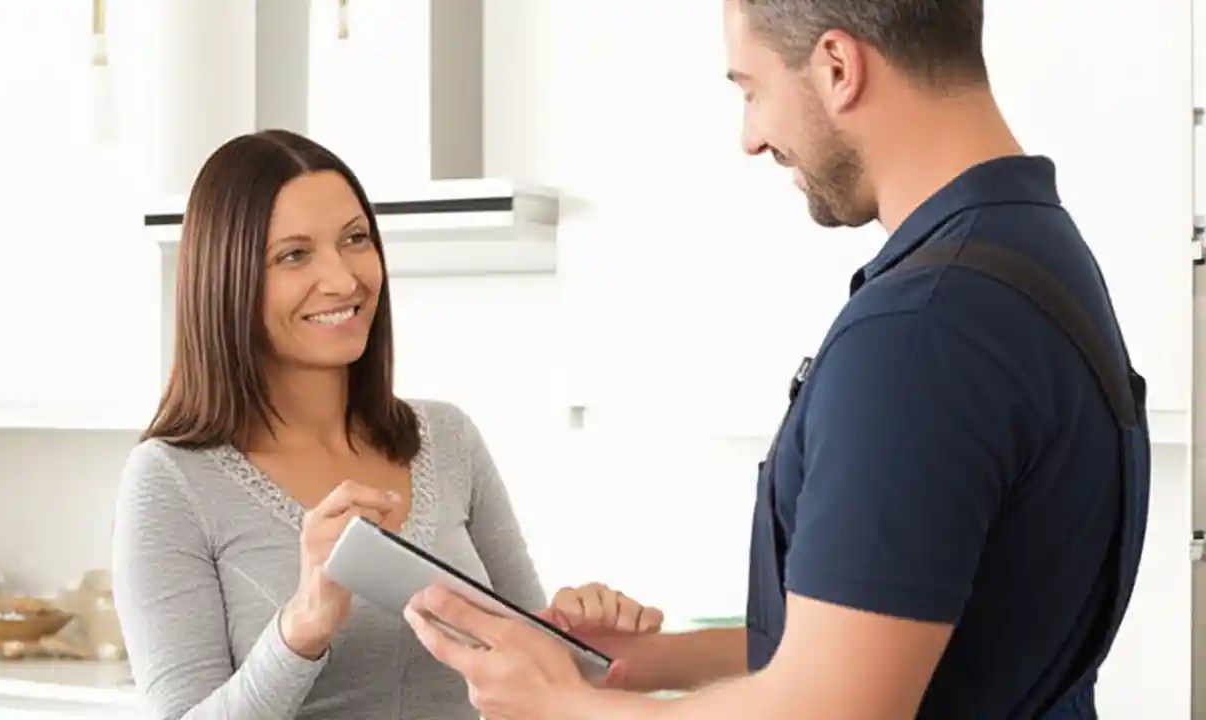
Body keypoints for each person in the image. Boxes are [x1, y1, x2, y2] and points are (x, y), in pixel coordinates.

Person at [401, 1, 1152, 718]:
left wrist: (565, 708)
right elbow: (904, 637)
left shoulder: (921, 333)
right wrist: (653, 661)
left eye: (752, 89)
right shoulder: (1036, 252)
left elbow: (833, 709)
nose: (751, 137)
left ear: (836, 66)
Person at [110, 129, 658, 719]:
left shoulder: (448, 439)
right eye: (294, 254)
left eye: (355, 239)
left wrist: (587, 647)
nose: (344, 280)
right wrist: (302, 627)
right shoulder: (171, 480)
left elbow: (536, 682)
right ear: (227, 278)